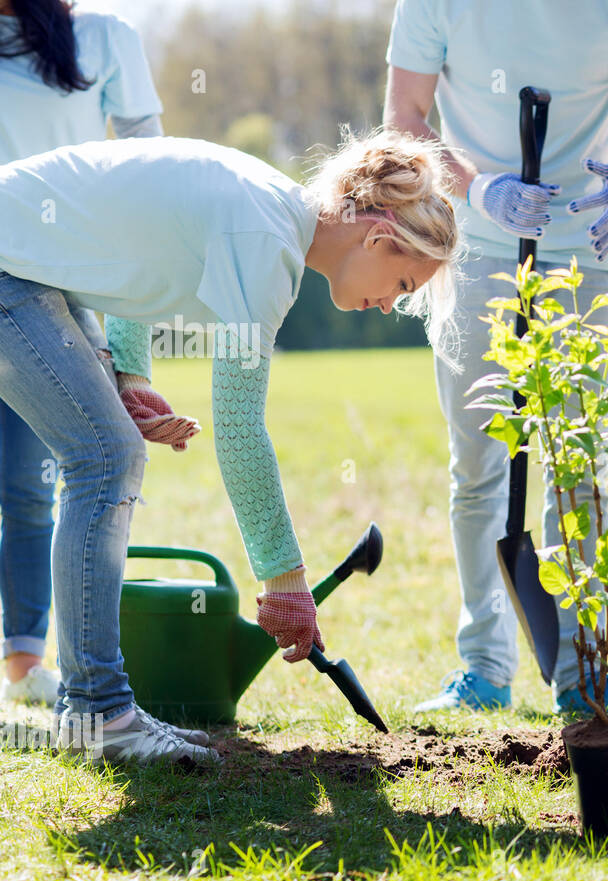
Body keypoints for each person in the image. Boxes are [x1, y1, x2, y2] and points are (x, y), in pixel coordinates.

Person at [0, 129, 458, 765]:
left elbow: (139, 254)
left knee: (108, 453)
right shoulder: (266, 244)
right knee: (106, 458)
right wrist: (287, 583)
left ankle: (95, 709)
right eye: (403, 284)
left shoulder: (269, 213)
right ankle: (98, 714)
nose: (388, 305)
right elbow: (240, 428)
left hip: (28, 268)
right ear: (380, 238)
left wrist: (130, 381)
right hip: (11, 267)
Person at [384, 0, 608, 715]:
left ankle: (582, 667)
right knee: (479, 467)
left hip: (589, 252)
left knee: (579, 463)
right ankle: (483, 666)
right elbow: (404, 115)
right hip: (478, 251)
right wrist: (480, 188)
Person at [0, 0, 168, 707]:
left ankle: (24, 664)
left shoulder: (103, 39)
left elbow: (150, 181)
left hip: (54, 283)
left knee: (34, 482)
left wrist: (131, 361)